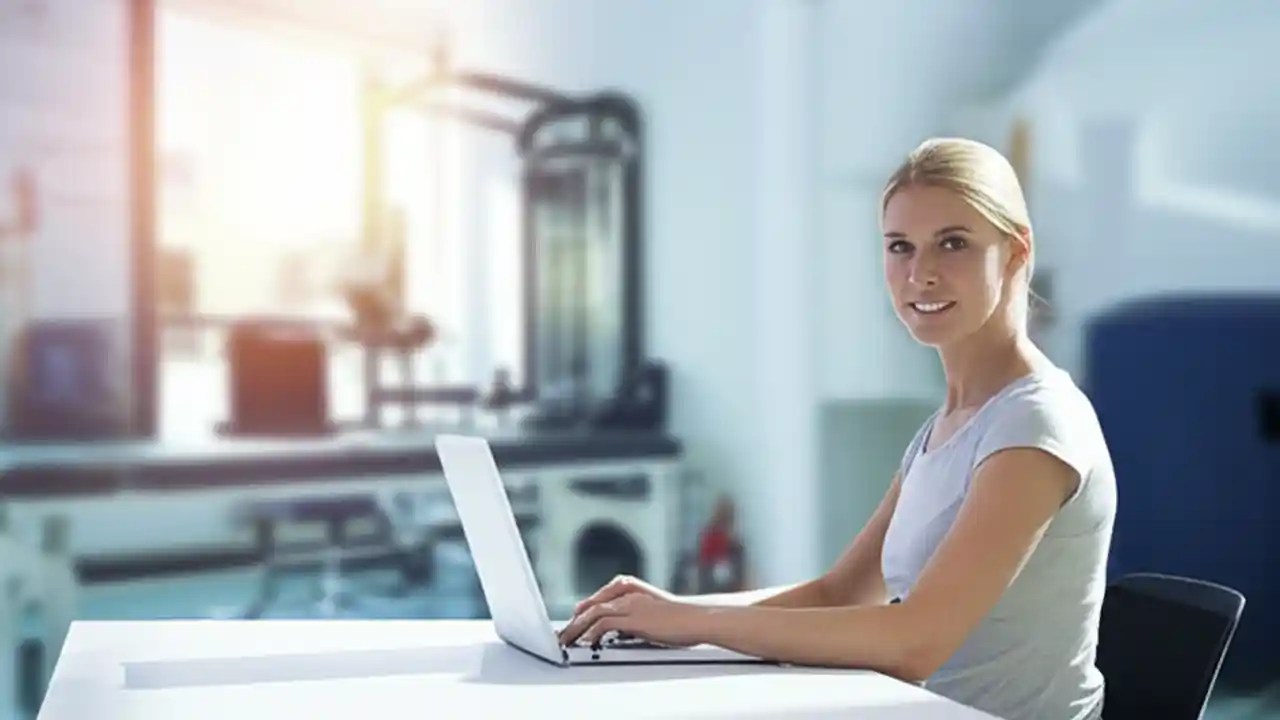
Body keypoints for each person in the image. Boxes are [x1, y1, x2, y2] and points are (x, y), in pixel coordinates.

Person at [558, 138, 1117, 720]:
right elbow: (839, 594)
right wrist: (670, 613)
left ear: (1015, 252)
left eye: (953, 244)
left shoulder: (1036, 423)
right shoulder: (949, 425)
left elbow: (914, 642)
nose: (920, 274)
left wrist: (692, 623)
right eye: (900, 247)